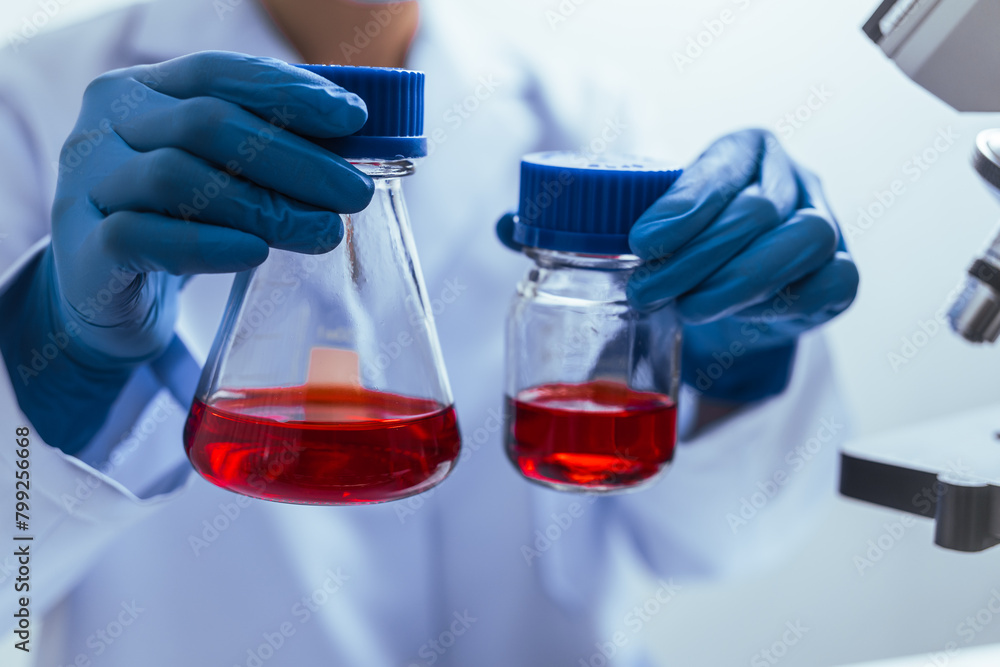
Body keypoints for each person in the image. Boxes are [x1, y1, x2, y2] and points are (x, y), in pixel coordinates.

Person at [0, 0, 858, 665]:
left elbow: (721, 542)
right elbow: (12, 582)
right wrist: (57, 360)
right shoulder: (32, 109)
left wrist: (736, 362)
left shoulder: (586, 115)